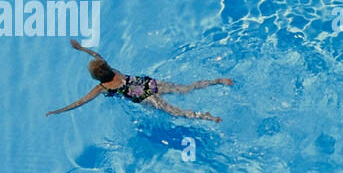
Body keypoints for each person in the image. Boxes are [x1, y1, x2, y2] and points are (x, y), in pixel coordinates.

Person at [46, 39, 234, 122]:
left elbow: (80, 102)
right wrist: (81, 48)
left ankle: (207, 117)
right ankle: (217, 81)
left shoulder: (101, 88)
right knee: (185, 89)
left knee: (176, 112)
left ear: (96, 77)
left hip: (144, 96)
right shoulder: (114, 70)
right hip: (147, 83)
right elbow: (97, 54)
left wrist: (58, 111)